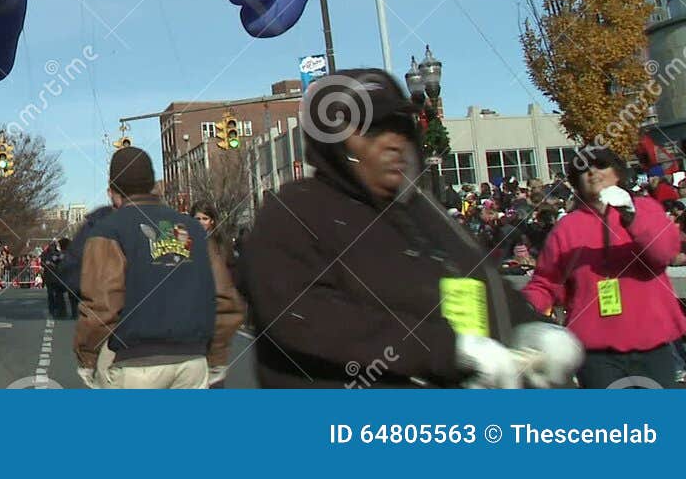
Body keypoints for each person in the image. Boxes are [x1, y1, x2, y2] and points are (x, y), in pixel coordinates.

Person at [240, 69, 573, 388]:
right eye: (370, 130)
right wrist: (445, 350)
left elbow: (481, 281)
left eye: (399, 127)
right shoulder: (295, 210)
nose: (393, 143)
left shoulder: (424, 212)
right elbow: (302, 315)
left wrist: (533, 328)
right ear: (332, 141)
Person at [73, 145, 241, 389]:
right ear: (152, 185)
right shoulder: (193, 229)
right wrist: (216, 357)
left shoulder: (108, 231)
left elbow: (102, 305)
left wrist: (88, 359)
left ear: (112, 192)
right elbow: (225, 299)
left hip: (134, 364)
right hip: (192, 360)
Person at [522, 148, 686, 389]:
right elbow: (547, 282)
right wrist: (522, 308)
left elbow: (663, 252)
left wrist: (631, 216)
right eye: (583, 170)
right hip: (596, 353)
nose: (592, 173)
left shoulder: (646, 209)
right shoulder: (567, 228)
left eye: (601, 165)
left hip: (653, 345)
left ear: (617, 174)